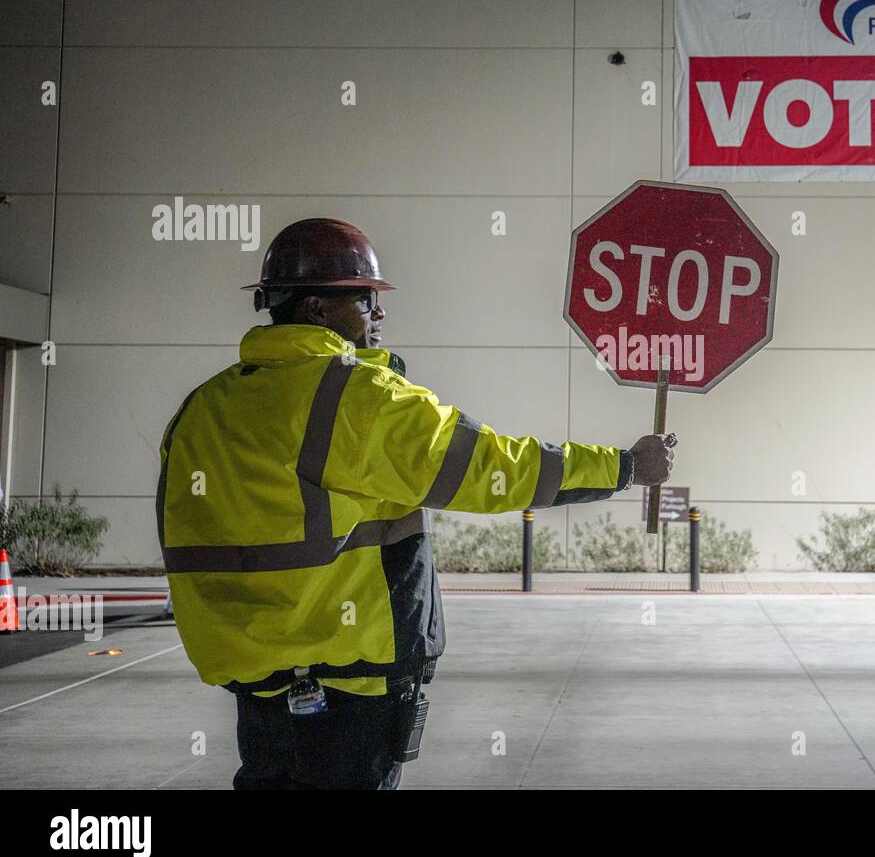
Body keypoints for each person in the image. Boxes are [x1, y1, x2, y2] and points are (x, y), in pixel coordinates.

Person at [155, 217, 675, 789]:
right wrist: (624, 468)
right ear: (317, 309)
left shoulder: (202, 408)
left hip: (255, 677)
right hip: (349, 678)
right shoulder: (356, 397)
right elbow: (493, 468)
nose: (378, 315)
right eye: (365, 300)